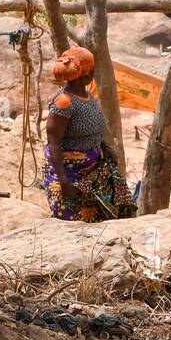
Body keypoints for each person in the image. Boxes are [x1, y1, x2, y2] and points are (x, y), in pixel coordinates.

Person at [42, 46, 137, 222]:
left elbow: (95, 130)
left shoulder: (89, 98)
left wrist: (105, 147)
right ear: (86, 75)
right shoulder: (64, 102)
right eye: (92, 70)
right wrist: (64, 183)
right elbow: (53, 143)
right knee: (76, 224)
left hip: (93, 173)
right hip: (70, 177)